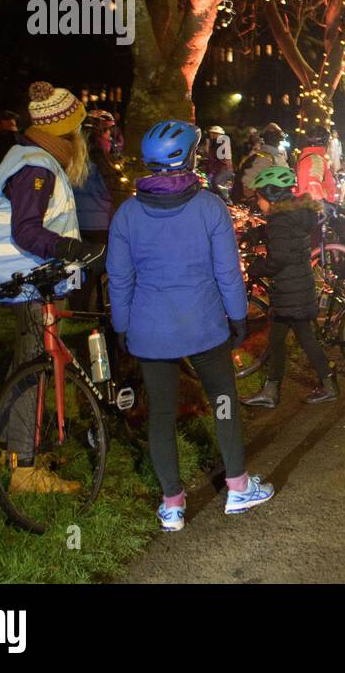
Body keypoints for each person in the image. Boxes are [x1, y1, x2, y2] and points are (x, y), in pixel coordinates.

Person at [108, 120, 273, 530]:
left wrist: (122, 325)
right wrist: (238, 316)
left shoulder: (127, 214)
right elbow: (228, 273)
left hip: (150, 329)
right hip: (204, 325)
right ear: (190, 157)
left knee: (160, 415)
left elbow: (120, 278)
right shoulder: (209, 207)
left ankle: (172, 505)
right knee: (223, 400)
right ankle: (237, 487)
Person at [0, 81, 101, 494]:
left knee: (26, 363)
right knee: (34, 369)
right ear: (67, 131)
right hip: (24, 277)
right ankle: (24, 468)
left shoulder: (35, 157)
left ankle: (11, 448)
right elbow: (26, 231)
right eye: (80, 129)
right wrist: (70, 247)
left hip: (28, 277)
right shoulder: (37, 165)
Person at [240, 166, 338, 408]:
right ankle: (271, 391)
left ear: (271, 197)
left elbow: (277, 259)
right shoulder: (291, 215)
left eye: (259, 197)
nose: (257, 201)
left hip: (291, 290)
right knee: (276, 339)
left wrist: (256, 268)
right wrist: (255, 234)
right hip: (295, 286)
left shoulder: (280, 223)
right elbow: (277, 231)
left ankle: (328, 384)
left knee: (306, 339)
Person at [69, 110, 130, 310]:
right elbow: (109, 190)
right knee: (100, 263)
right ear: (99, 134)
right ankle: (98, 304)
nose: (109, 137)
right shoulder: (100, 161)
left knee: (77, 263)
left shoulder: (71, 157)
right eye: (107, 133)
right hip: (99, 222)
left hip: (74, 220)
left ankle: (75, 303)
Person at [236, 122, 288, 202]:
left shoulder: (277, 154)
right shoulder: (264, 157)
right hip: (268, 200)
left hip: (277, 198)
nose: (275, 138)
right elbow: (247, 182)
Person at [295, 125, 338, 204]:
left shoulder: (308, 156)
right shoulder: (316, 159)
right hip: (317, 208)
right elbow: (314, 189)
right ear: (326, 142)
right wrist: (323, 211)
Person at [201, 125, 235, 199]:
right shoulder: (214, 144)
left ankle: (226, 199)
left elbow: (217, 157)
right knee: (212, 184)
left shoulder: (221, 143)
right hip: (219, 168)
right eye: (211, 133)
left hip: (224, 168)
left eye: (214, 133)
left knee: (216, 182)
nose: (211, 135)